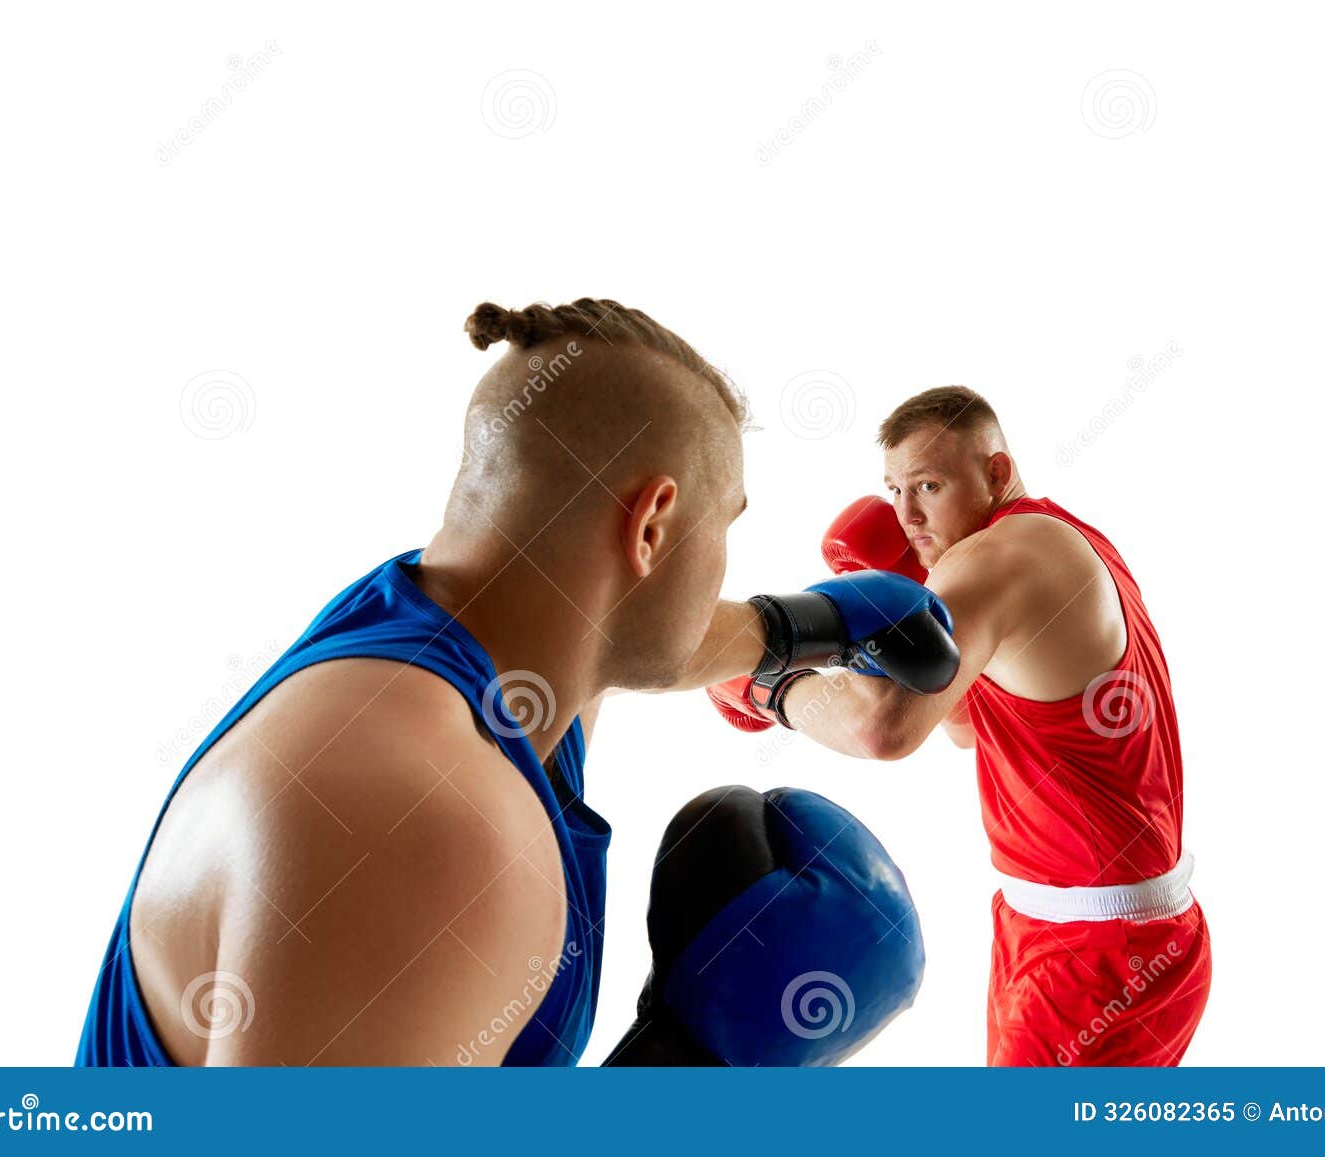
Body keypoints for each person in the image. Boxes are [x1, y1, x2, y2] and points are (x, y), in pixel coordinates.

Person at [76, 298, 947, 1067]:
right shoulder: (426, 828)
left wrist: (811, 623)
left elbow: (646, 631)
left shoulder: (464, 627)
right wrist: (681, 1070)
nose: (723, 564)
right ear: (652, 526)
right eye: (723, 526)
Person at [699, 386, 1212, 1066]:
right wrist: (909, 600)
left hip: (1096, 950)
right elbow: (966, 725)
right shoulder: (1065, 537)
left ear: (996, 472)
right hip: (1079, 923)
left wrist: (765, 682)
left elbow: (883, 726)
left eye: (928, 486)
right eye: (893, 491)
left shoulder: (996, 559)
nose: (907, 515)